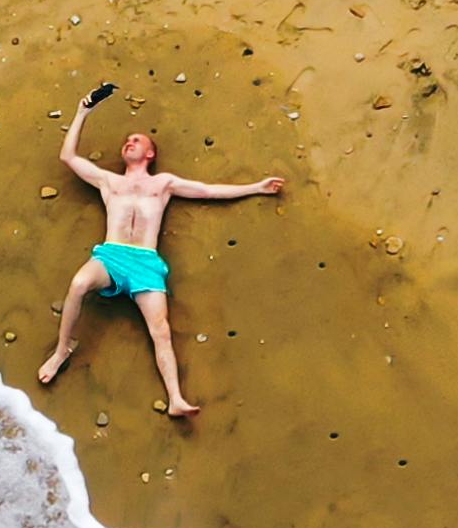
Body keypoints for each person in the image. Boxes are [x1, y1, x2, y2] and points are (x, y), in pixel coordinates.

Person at [37, 85, 284, 421]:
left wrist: (255, 187)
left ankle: (176, 398)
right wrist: (83, 112)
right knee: (79, 283)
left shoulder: (163, 183)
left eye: (136, 140)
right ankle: (62, 350)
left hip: (146, 263)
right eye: (126, 141)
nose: (129, 143)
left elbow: (209, 191)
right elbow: (68, 157)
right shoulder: (109, 181)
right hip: (111, 257)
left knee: (161, 329)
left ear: (150, 154)